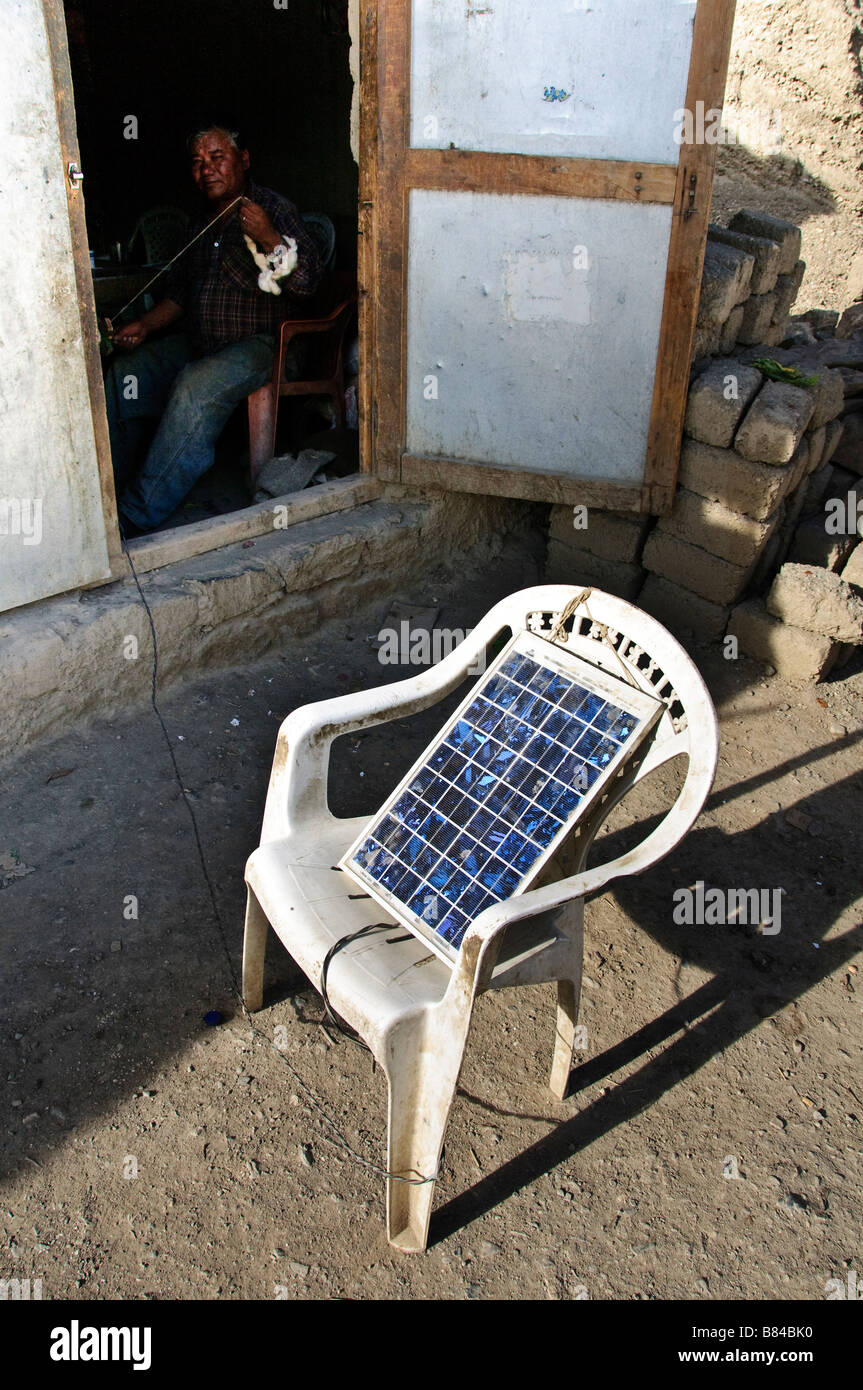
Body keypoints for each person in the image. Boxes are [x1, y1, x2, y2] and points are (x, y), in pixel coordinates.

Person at [104, 119, 323, 535]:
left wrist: (269, 235)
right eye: (197, 162)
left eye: (217, 158)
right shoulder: (201, 223)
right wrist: (144, 327)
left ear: (243, 160)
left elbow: (308, 282)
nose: (206, 169)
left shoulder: (272, 209)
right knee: (125, 373)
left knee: (196, 385)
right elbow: (179, 297)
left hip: (265, 346)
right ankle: (106, 496)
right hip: (204, 342)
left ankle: (136, 515)